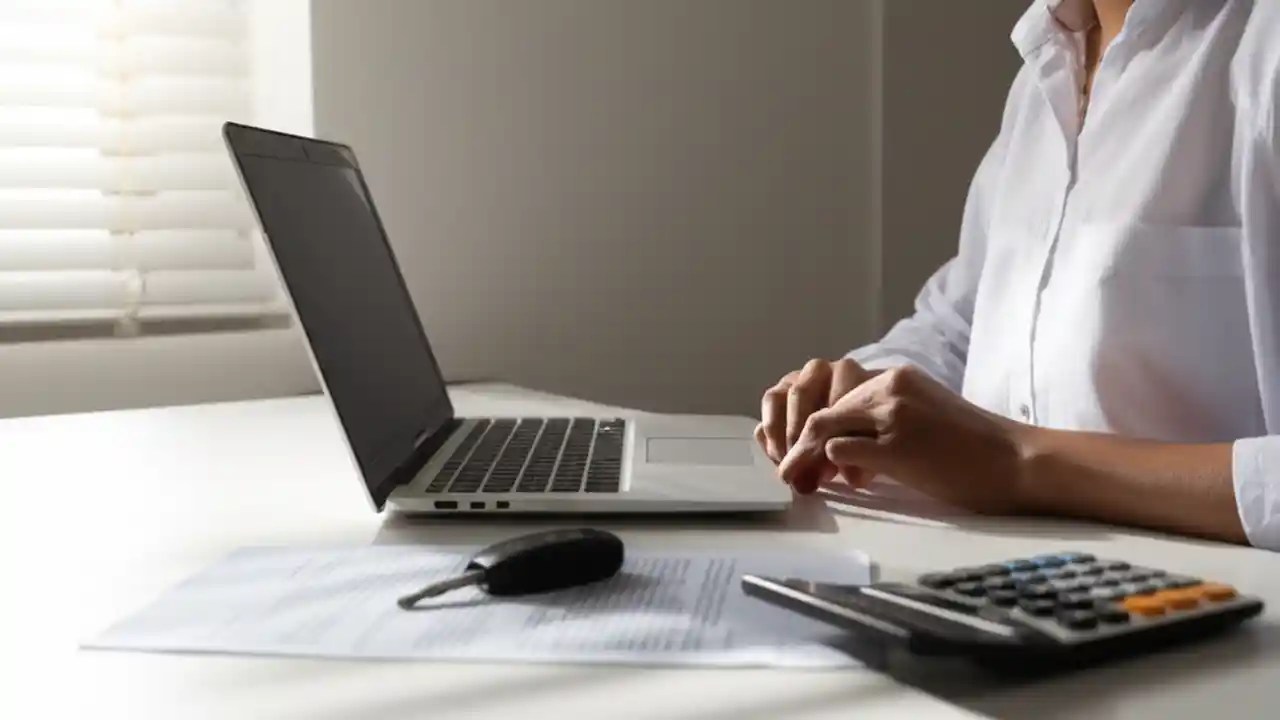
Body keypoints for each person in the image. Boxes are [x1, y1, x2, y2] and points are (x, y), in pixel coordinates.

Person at [755, 0, 1280, 551]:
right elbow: (960, 328)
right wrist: (857, 396)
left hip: (1220, 616)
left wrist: (1021, 463)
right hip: (1010, 588)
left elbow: (1006, 454)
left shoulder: (1261, 49)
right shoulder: (1046, 74)